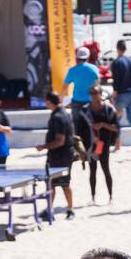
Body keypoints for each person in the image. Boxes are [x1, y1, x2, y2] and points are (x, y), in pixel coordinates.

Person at [36, 91, 77, 220]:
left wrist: (44, 147)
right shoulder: (64, 113)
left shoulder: (58, 117)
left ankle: (70, 210)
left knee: (63, 183)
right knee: (52, 184)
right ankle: (50, 209)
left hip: (60, 155)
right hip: (63, 154)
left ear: (49, 102)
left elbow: (60, 140)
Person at [64, 47, 101, 160]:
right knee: (95, 126)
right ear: (88, 57)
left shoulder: (72, 70)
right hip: (91, 101)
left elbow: (65, 86)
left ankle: (78, 152)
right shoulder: (93, 69)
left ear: (77, 57)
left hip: (77, 102)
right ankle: (98, 150)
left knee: (77, 127)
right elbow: (98, 84)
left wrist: (65, 101)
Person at [86, 85, 120, 204]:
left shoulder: (109, 109)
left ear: (101, 94)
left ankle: (110, 196)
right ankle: (93, 197)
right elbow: (80, 129)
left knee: (105, 169)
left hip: (103, 144)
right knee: (92, 171)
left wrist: (102, 125)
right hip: (91, 144)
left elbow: (116, 128)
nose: (94, 96)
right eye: (92, 93)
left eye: (96, 93)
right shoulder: (86, 110)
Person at [110, 40, 131, 152]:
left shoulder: (116, 62)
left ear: (117, 48)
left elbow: (116, 81)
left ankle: (118, 143)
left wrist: (114, 94)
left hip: (122, 94)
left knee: (116, 120)